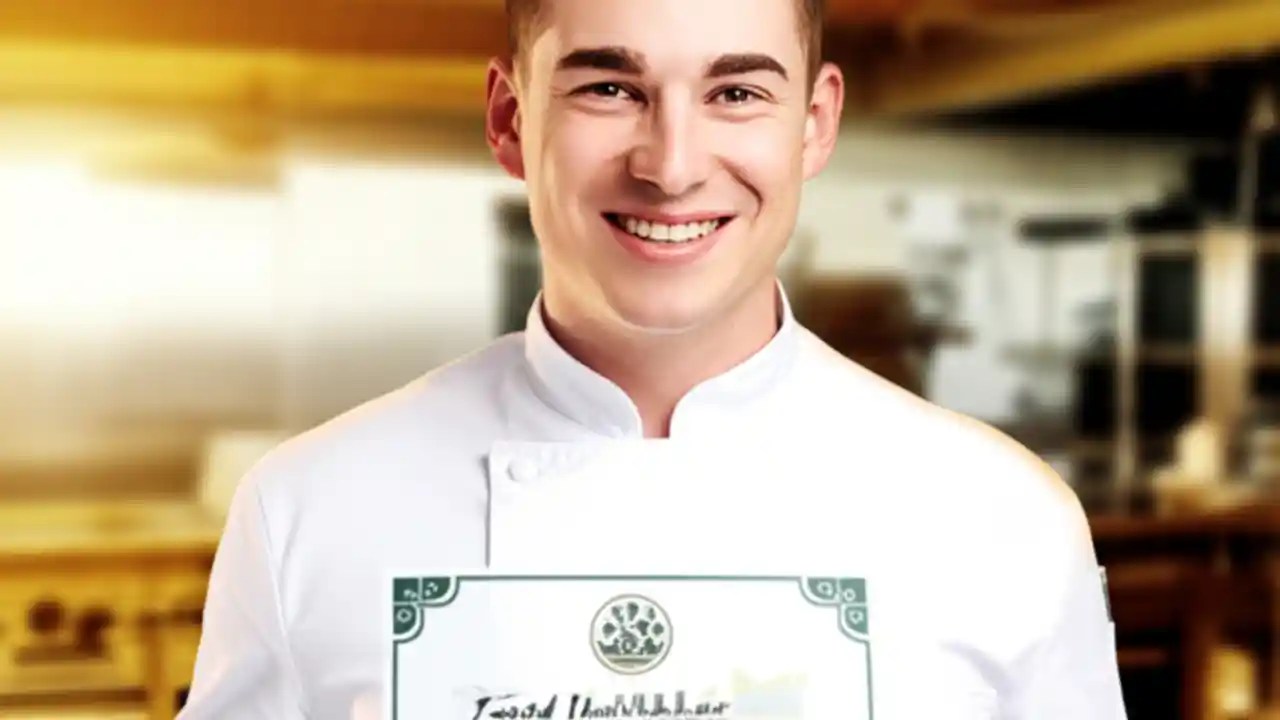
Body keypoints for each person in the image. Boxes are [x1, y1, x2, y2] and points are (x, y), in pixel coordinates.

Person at [179, 0, 1129, 717]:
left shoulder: (1006, 520)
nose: (672, 166)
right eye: (610, 88)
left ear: (815, 122)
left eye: (737, 92)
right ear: (511, 119)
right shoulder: (308, 511)